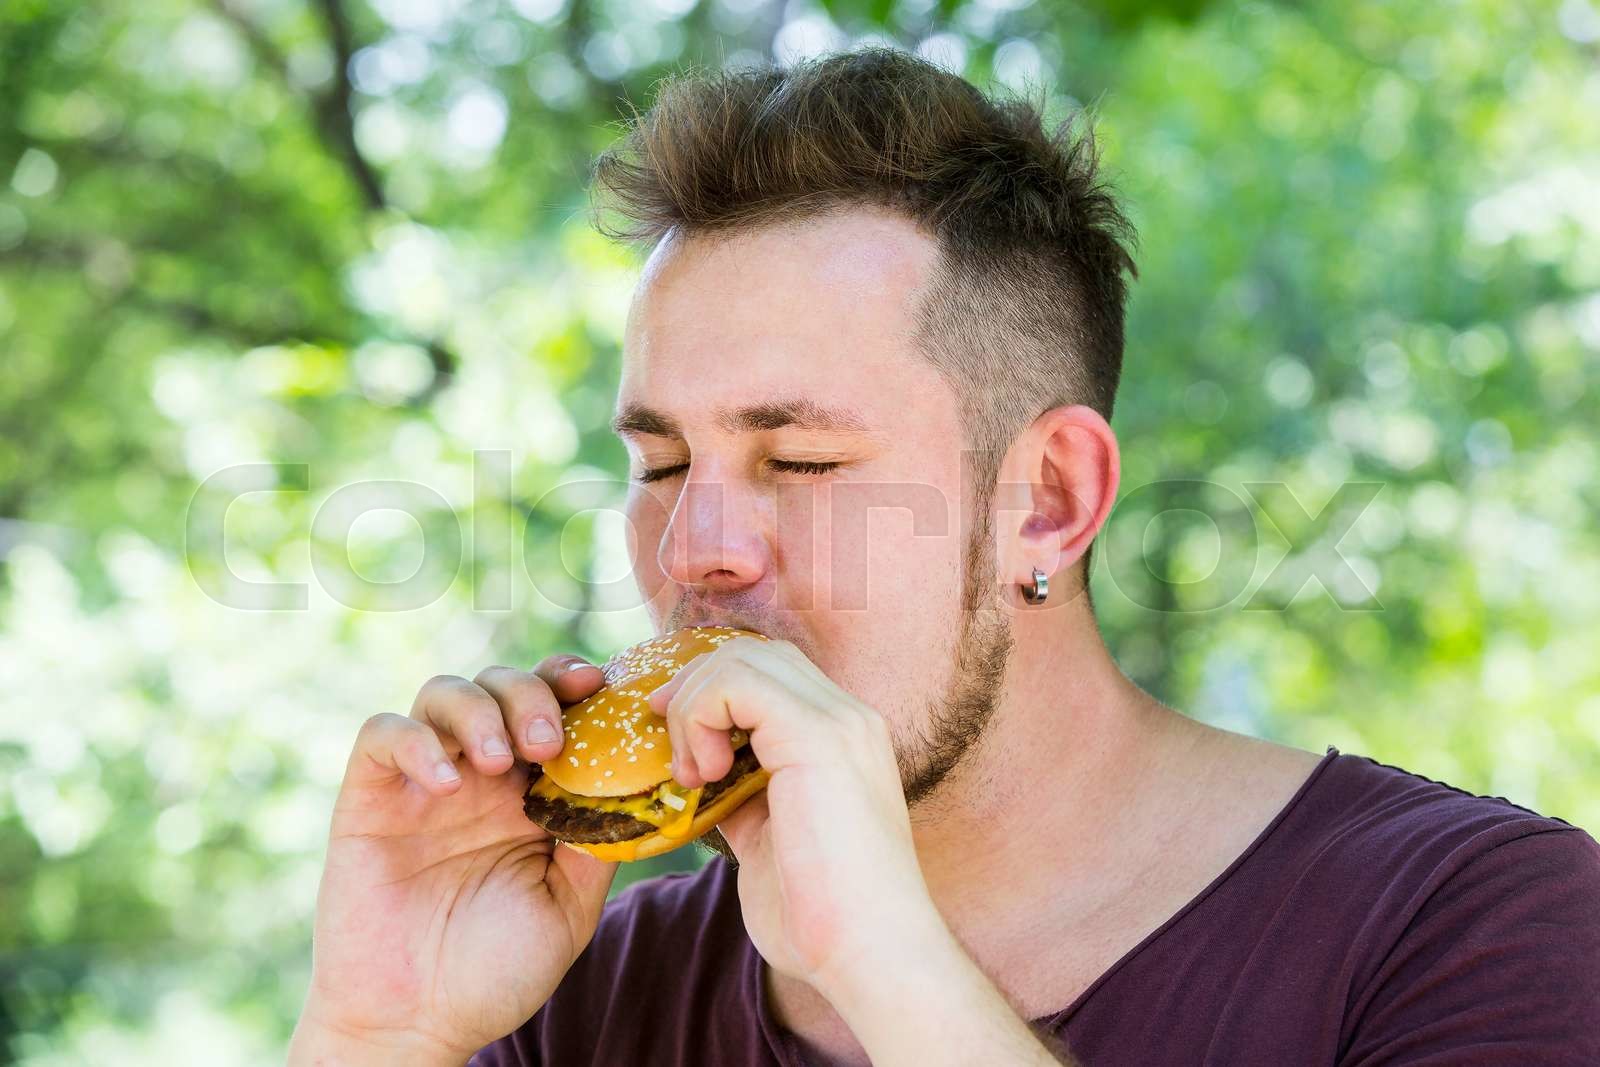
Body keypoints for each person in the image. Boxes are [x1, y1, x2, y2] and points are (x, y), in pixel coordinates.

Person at [286, 48, 1600, 1066]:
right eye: (662, 464)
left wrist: (890, 968)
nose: (699, 549)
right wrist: (378, 1036)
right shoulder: (567, 990)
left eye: (799, 462)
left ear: (1048, 500)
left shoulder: (1479, 932)